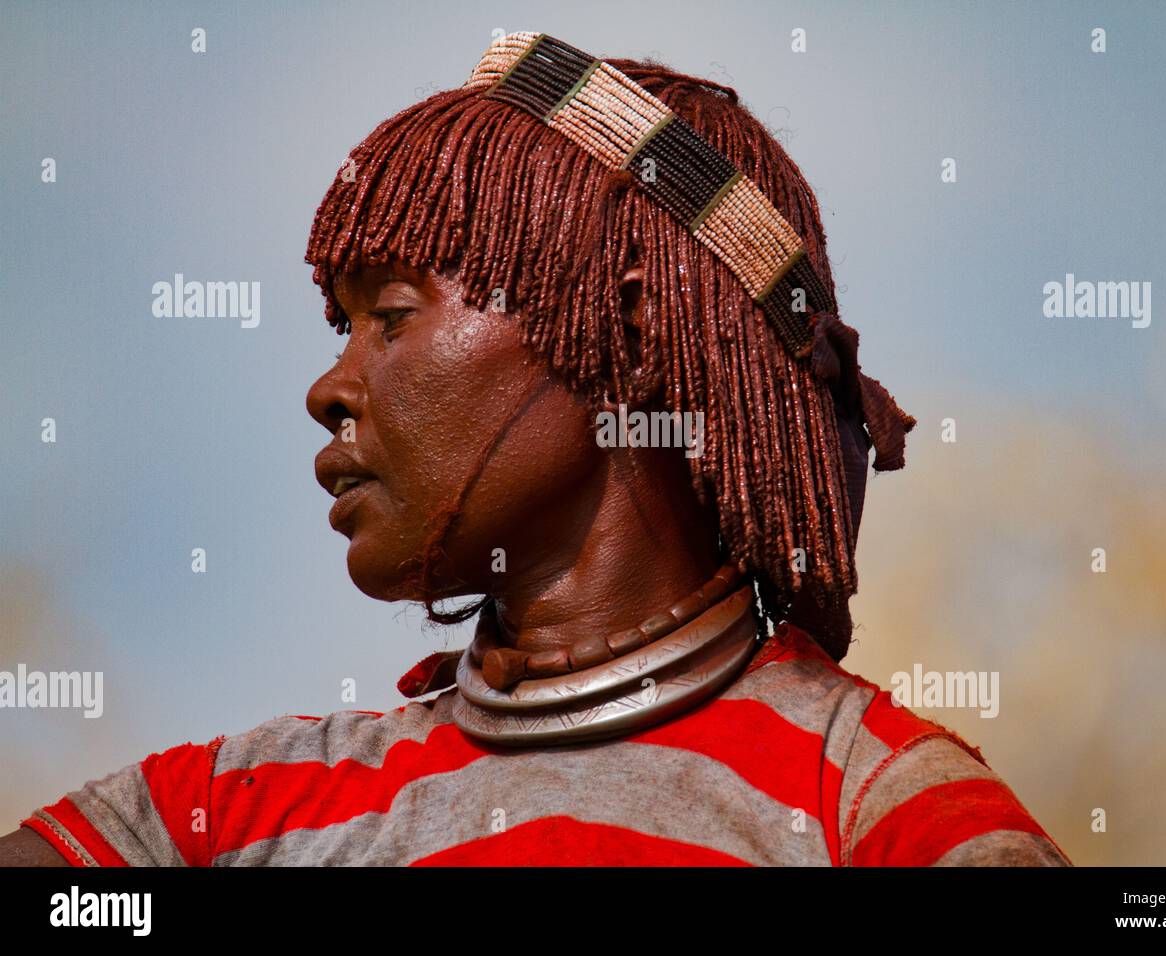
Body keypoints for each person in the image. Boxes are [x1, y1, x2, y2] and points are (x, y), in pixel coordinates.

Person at [0, 32, 1070, 866]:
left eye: (393, 316)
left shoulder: (872, 803)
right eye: (342, 328)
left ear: (630, 326)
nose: (330, 388)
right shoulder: (224, 817)